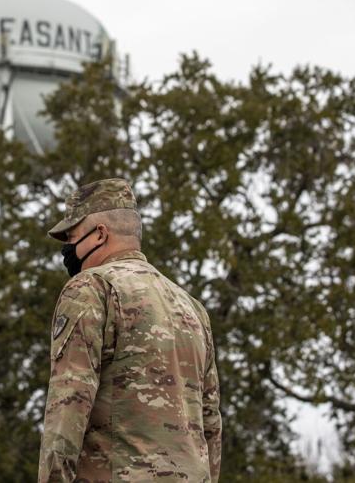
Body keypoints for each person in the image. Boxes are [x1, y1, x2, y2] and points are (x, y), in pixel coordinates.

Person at [38, 178, 222, 482]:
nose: (67, 249)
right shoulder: (191, 306)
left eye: (71, 237)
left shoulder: (91, 288)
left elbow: (69, 403)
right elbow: (211, 420)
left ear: (99, 234)